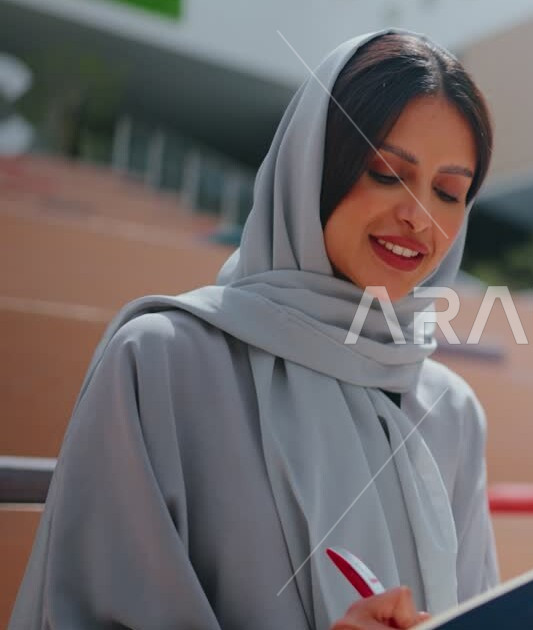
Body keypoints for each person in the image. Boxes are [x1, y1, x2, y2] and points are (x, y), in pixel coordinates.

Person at [11, 31, 498, 629]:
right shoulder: (163, 362)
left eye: (449, 192)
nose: (420, 216)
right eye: (385, 173)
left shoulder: (450, 413)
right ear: (313, 168)